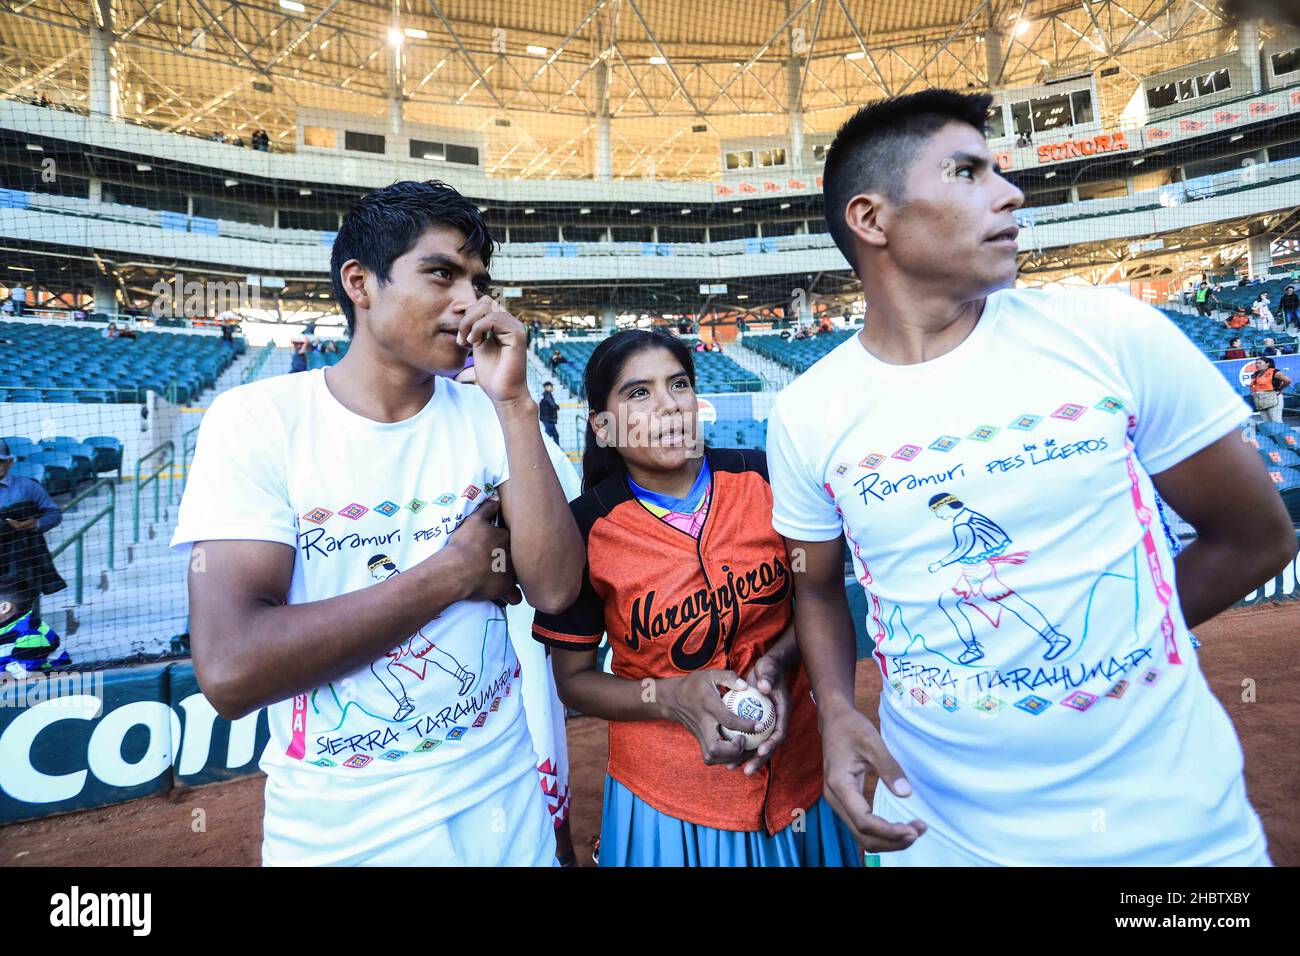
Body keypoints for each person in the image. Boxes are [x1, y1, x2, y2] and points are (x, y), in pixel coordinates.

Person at [767, 89, 1291, 866]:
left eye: (1000, 171)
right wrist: (838, 709)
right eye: (968, 171)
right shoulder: (808, 412)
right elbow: (816, 587)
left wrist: (1120, 635)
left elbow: (1256, 536)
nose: (1011, 193)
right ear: (873, 219)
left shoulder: (1112, 334)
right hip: (939, 835)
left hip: (1171, 837)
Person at [172, 179, 585, 866]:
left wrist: (515, 407)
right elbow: (231, 669)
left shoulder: (492, 412)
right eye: (441, 273)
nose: (470, 303)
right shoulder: (259, 422)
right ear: (360, 284)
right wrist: (453, 573)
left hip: (506, 805)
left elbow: (555, 590)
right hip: (345, 837)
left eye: (479, 282)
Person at [533, 329, 861, 867]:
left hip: (800, 768)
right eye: (639, 393)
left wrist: (776, 662)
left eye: (679, 384)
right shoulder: (584, 527)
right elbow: (574, 683)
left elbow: (816, 599)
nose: (669, 405)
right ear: (602, 425)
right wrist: (670, 697)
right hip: (669, 799)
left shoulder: (764, 475)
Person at [455, 357, 581, 867]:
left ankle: (563, 853)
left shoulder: (522, 433)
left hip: (522, 626)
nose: (467, 389)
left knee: (541, 746)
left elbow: (570, 517)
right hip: (441, 639)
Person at [0, 441, 65, 603]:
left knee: (23, 611)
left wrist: (35, 523)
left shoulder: (27, 486)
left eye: (0, 461)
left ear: (10, 462)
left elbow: (54, 513)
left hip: (22, 561)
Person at [1250, 356, 1291, 423]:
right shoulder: (1255, 374)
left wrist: (1280, 389)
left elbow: (1288, 380)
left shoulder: (1275, 372)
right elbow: (1253, 386)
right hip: (1260, 400)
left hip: (1273, 398)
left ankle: (1282, 433)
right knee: (1267, 422)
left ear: (1267, 364)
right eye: (1256, 363)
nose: (1257, 365)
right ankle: (1271, 433)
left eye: (1259, 363)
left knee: (1276, 420)